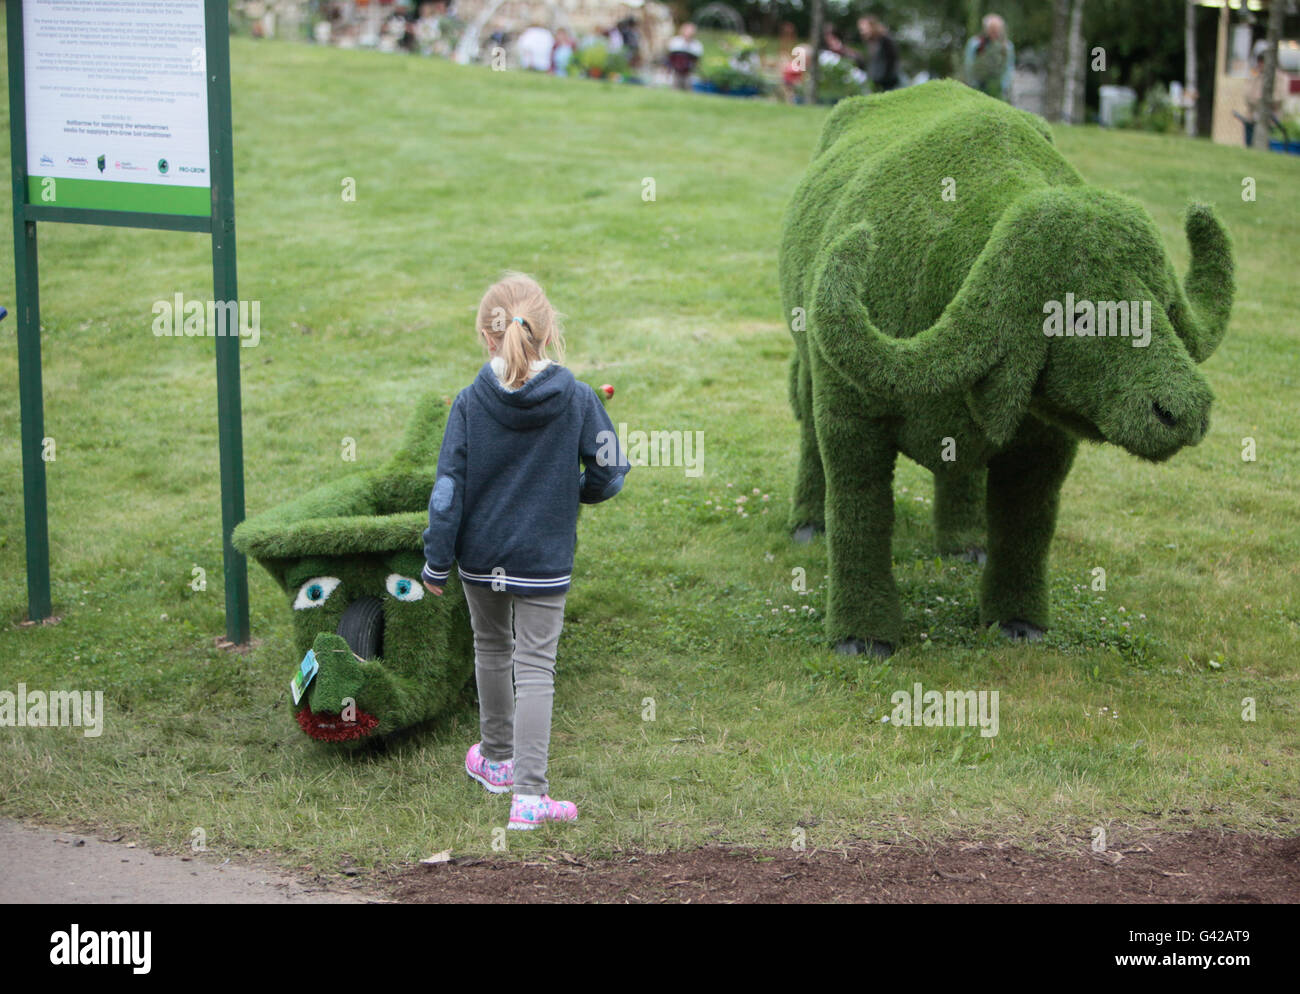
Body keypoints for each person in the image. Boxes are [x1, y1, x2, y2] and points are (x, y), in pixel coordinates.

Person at [422, 272, 629, 831]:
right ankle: (530, 796)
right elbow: (610, 471)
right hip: (544, 559)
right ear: (547, 330)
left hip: (478, 557)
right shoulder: (580, 398)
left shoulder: (468, 403)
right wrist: (573, 495)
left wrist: (436, 562)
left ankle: (495, 761)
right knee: (536, 666)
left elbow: (447, 492)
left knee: (491, 649)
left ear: (486, 337)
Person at [825, 16, 899, 92]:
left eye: (864, 28)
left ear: (872, 26)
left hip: (888, 81)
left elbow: (891, 60)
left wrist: (881, 77)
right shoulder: (872, 42)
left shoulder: (884, 40)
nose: (862, 31)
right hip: (877, 80)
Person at [1238, 46, 1289, 146]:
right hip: (1252, 118)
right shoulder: (1255, 76)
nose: (1260, 64)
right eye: (1259, 61)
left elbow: (1279, 98)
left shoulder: (1280, 78)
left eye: (1262, 61)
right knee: (1249, 145)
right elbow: (1248, 95)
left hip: (1270, 120)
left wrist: (1261, 101)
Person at [964, 13, 1015, 100]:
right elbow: (969, 64)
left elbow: (1009, 67)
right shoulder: (975, 44)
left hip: (998, 87)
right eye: (991, 31)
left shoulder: (1007, 47)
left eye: (996, 31)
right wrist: (972, 83)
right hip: (978, 85)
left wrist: (1005, 87)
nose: (994, 34)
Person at [667, 22, 703, 90]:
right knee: (674, 88)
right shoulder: (675, 41)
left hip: (688, 72)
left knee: (688, 87)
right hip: (676, 70)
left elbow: (697, 59)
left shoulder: (697, 45)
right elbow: (670, 56)